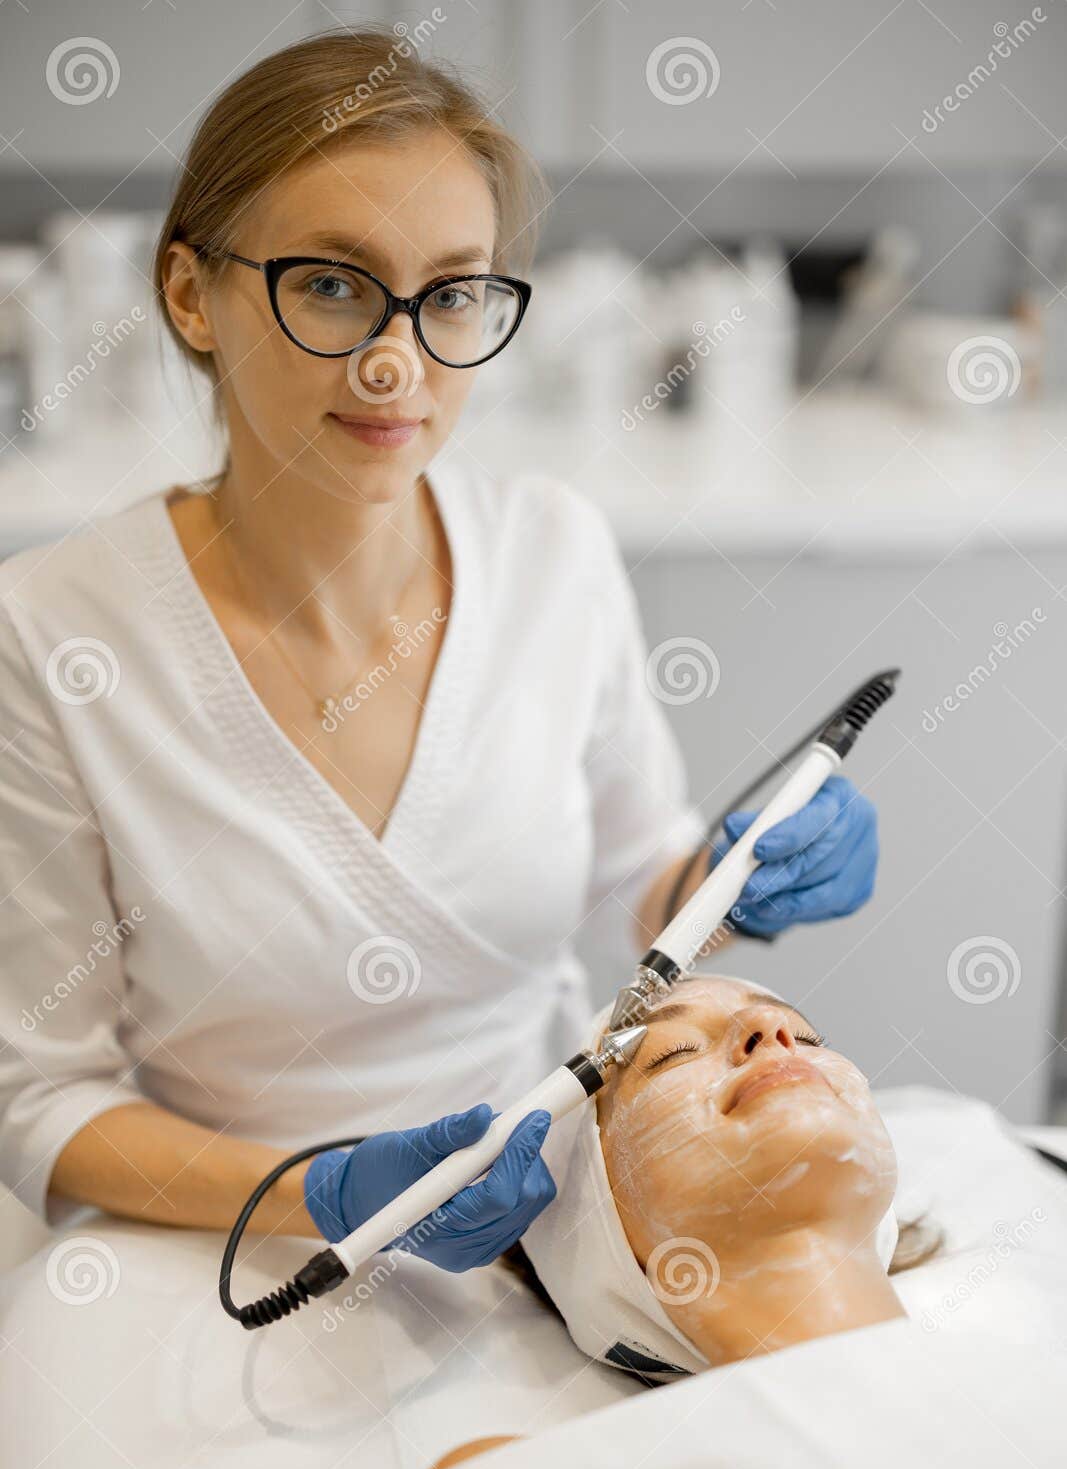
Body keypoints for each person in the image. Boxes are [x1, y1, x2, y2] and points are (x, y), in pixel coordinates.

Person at [0, 29, 877, 1266]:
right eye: (330, 284)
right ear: (191, 294)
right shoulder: (51, 636)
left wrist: (740, 878)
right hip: (221, 1247)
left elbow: (641, 878)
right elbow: (42, 1101)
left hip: (540, 1217)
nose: (395, 361)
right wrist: (327, 1194)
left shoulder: (550, 551)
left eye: (451, 293)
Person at [424, 972, 939, 1469]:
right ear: (596, 1227)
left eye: (806, 1037)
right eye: (676, 1052)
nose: (769, 1025)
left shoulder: (994, 1360)